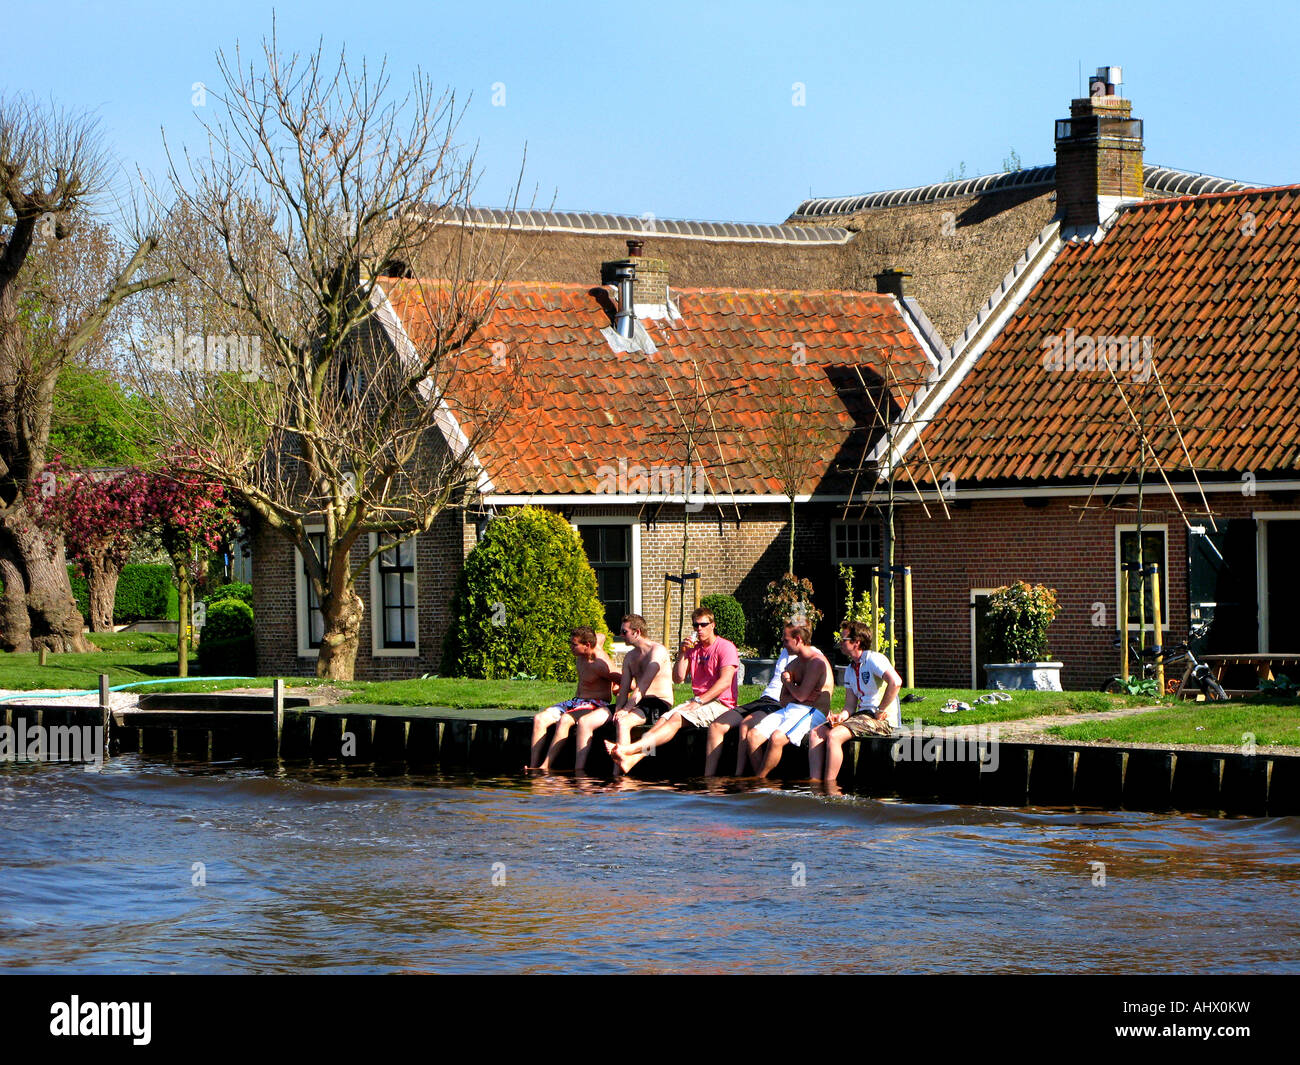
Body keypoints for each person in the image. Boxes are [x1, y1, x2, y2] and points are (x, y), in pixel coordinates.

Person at [606, 606, 739, 776]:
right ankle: (634, 758)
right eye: (695, 625)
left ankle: (627, 749)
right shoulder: (694, 649)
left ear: (713, 625)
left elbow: (725, 682)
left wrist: (698, 701)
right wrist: (683, 654)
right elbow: (678, 678)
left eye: (703, 625)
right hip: (699, 701)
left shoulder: (725, 647)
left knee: (676, 718)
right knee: (662, 721)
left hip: (721, 703)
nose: (699, 629)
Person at [808, 620, 903, 786]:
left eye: (843, 640)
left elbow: (896, 682)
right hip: (861, 716)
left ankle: (830, 787)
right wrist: (840, 717)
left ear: (856, 642)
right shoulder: (850, 670)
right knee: (816, 733)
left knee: (834, 736)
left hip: (882, 719)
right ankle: (815, 784)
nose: (840, 643)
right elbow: (850, 707)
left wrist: (881, 709)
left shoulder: (874, 659)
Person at [746, 624, 833, 778]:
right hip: (789, 710)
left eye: (786, 640)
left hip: (811, 713)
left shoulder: (816, 663)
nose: (783, 644)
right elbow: (783, 700)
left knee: (777, 737)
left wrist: (788, 683)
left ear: (798, 639)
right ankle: (764, 784)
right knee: (752, 736)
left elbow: (800, 696)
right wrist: (799, 694)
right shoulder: (792, 664)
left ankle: (758, 781)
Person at [527, 626, 619, 773]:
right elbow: (600, 635)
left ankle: (546, 765)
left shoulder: (601, 664)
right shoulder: (588, 649)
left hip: (595, 703)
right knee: (539, 718)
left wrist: (617, 688)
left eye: (574, 644)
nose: (571, 647)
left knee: (565, 720)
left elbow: (628, 682)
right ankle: (532, 765)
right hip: (576, 701)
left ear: (587, 645)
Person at [704, 640, 794, 776]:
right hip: (763, 699)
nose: (782, 641)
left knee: (746, 725)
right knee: (716, 726)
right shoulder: (785, 651)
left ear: (798, 637)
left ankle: (739, 775)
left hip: (777, 703)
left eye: (786, 638)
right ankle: (708, 780)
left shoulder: (811, 656)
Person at [610, 614, 675, 752]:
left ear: (637, 632)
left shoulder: (657, 651)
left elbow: (643, 686)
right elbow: (623, 689)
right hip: (639, 702)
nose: (621, 635)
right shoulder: (630, 657)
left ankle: (620, 768)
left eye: (624, 632)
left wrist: (626, 710)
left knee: (623, 722)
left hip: (658, 702)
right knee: (593, 720)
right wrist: (618, 709)